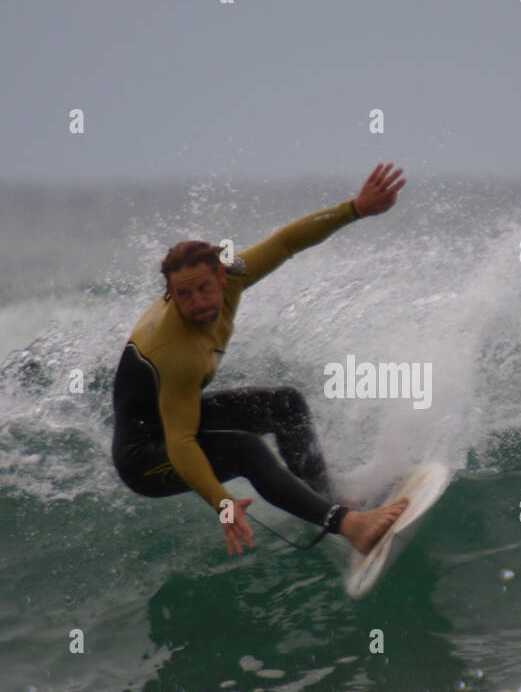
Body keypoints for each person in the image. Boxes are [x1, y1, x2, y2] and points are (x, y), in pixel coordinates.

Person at [111, 163, 410, 557]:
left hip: (174, 422)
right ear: (169, 292)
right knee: (247, 450)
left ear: (221, 276)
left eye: (204, 288)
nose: (197, 302)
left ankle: (332, 504)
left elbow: (286, 242)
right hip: (145, 456)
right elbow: (181, 442)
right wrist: (222, 502)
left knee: (284, 403)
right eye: (184, 295)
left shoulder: (234, 274)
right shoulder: (175, 351)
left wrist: (354, 208)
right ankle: (349, 526)